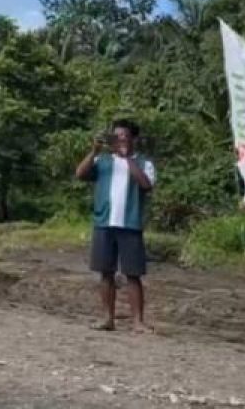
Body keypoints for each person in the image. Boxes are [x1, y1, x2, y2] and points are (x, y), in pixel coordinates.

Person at [75, 119, 156, 333]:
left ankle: (138, 322)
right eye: (116, 136)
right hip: (104, 222)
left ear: (133, 139)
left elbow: (146, 184)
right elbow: (80, 174)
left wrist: (127, 158)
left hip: (130, 224)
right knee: (105, 272)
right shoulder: (102, 161)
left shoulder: (144, 163)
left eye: (124, 136)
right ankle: (107, 318)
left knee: (133, 274)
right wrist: (94, 151)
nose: (120, 140)